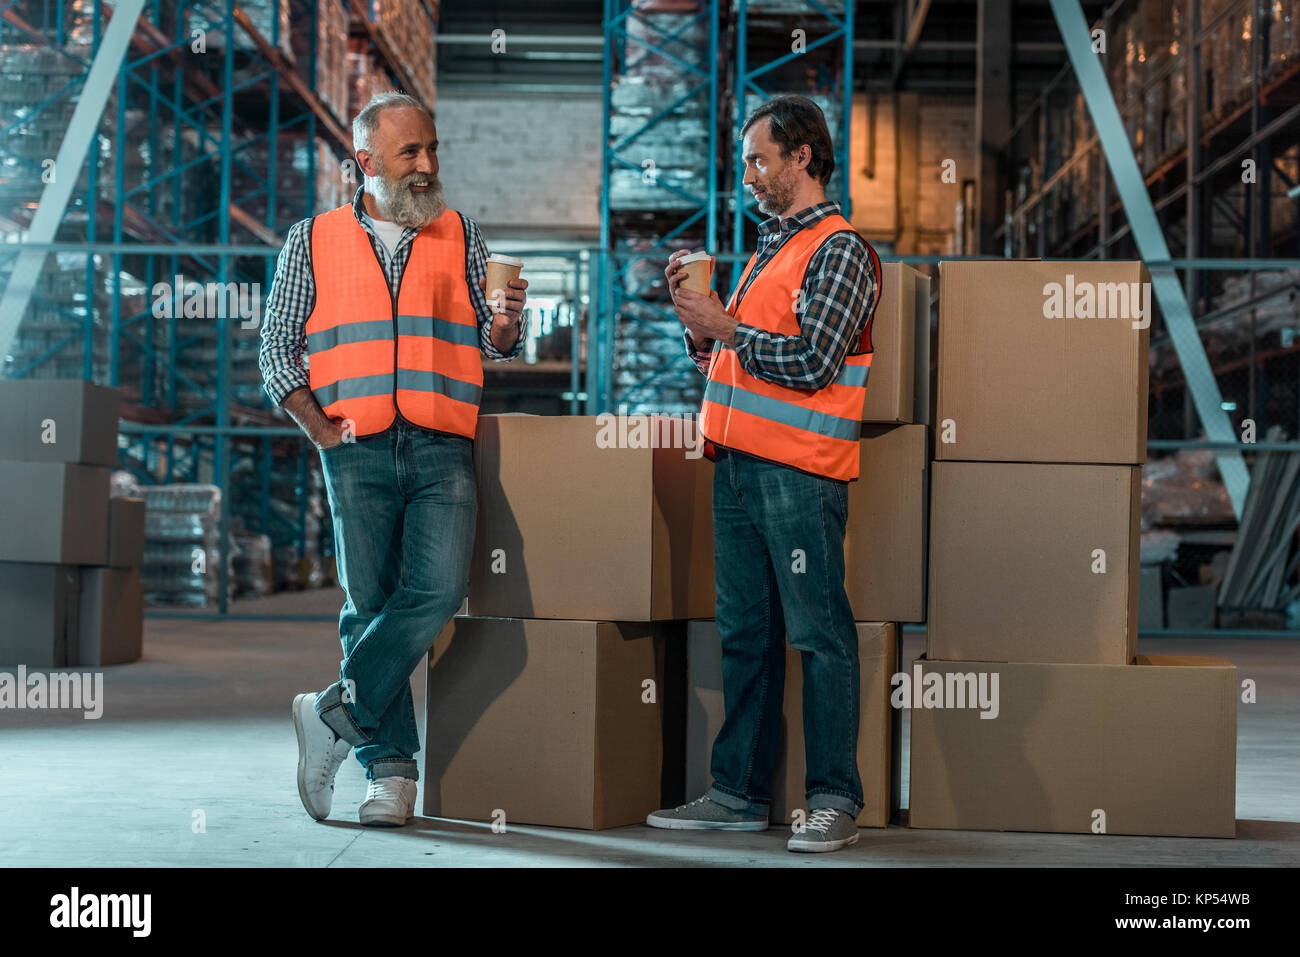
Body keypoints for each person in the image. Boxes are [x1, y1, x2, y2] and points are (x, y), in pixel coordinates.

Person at [258, 91, 528, 827]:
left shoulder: (460, 234)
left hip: (442, 440)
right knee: (369, 605)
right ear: (366, 162)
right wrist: (320, 430)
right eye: (411, 153)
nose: (427, 165)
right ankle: (392, 774)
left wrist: (506, 326)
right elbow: (278, 351)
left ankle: (333, 711)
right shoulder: (310, 239)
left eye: (433, 150)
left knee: (436, 591)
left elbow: (493, 342)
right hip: (354, 445)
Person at [646, 95, 881, 853]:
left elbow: (812, 362)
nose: (747, 174)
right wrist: (700, 327)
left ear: (801, 158)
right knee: (747, 634)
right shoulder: (769, 249)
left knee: (819, 635)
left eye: (758, 159)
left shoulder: (839, 249)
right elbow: (740, 359)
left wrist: (725, 327)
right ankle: (738, 792)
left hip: (799, 474)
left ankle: (835, 796)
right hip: (739, 471)